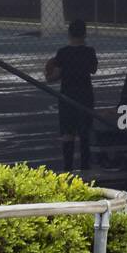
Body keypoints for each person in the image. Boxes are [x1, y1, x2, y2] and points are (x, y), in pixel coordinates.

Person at [46, 20, 98, 172]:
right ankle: (85, 169)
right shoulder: (89, 52)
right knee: (84, 134)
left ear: (69, 34)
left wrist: (48, 71)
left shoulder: (63, 52)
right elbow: (93, 69)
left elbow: (53, 76)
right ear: (85, 34)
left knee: (68, 134)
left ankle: (68, 169)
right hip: (85, 95)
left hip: (67, 96)